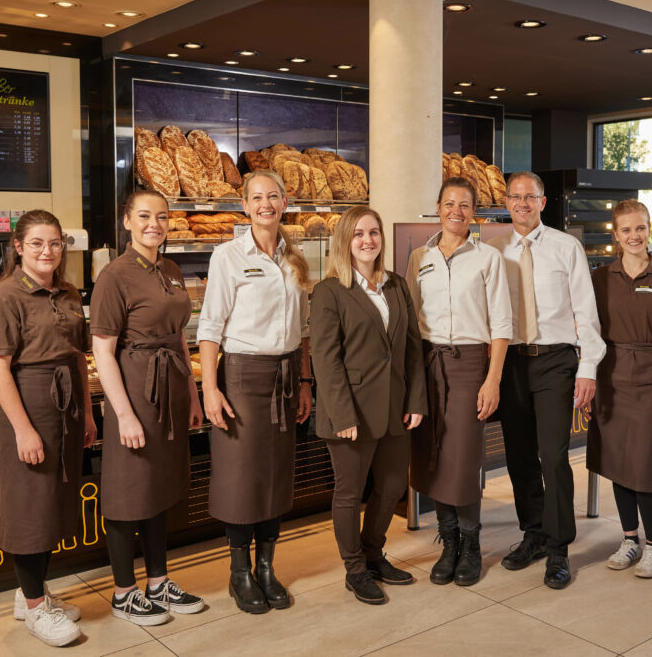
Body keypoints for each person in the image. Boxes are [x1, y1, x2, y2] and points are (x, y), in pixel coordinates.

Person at [197, 171, 313, 614]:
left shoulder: (294, 257)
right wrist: (210, 388)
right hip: (243, 375)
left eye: (273, 196)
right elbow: (209, 328)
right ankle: (239, 571)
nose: (266, 204)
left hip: (286, 375)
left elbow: (302, 330)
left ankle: (267, 566)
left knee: (276, 472)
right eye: (256, 197)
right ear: (244, 206)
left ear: (285, 202)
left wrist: (304, 380)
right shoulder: (227, 256)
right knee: (241, 474)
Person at [90, 190, 205, 625]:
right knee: (127, 491)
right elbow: (102, 350)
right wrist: (123, 414)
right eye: (144, 216)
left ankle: (158, 581)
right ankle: (124, 592)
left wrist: (192, 395)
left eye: (161, 216)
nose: (153, 224)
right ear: (127, 221)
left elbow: (179, 337)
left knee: (158, 488)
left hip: (172, 387)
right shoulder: (113, 276)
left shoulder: (170, 269)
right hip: (135, 388)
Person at [488, 171, 606, 589]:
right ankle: (533, 533)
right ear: (506, 201)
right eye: (516, 196)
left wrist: (588, 367)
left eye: (531, 197)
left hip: (555, 359)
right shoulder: (490, 246)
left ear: (542, 202)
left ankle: (558, 547)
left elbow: (586, 312)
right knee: (518, 454)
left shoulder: (565, 246)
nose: (522, 203)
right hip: (510, 361)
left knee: (553, 456)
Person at [0, 210, 96, 647]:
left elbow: (78, 359)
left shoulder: (68, 292)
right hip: (28, 404)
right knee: (29, 506)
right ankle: (35, 610)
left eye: (54, 243)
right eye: (37, 244)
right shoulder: (4, 296)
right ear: (18, 247)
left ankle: (28, 594)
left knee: (51, 502)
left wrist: (86, 414)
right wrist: (23, 430)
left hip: (67, 402)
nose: (47, 251)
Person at [310, 206, 427, 605]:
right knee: (350, 491)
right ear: (345, 240)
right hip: (350, 411)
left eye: (374, 232)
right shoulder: (329, 291)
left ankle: (374, 554)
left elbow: (413, 348)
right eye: (358, 233)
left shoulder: (395, 284)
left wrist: (415, 400)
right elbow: (325, 359)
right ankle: (355, 568)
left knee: (393, 485)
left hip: (395, 407)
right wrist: (342, 415)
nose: (367, 240)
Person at [406, 177, 512, 587]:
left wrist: (493, 379)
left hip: (470, 365)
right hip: (428, 363)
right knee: (431, 454)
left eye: (464, 205)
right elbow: (412, 320)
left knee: (463, 459)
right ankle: (447, 541)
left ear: (474, 211)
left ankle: (471, 545)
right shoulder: (419, 256)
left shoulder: (487, 258)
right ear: (438, 206)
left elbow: (502, 323)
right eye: (449, 203)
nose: (456, 211)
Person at [588, 200, 652, 579]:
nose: (635, 236)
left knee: (645, 466)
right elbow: (588, 332)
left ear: (650, 230)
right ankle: (629, 538)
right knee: (617, 463)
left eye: (641, 228)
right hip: (610, 377)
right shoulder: (599, 278)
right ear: (615, 235)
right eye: (626, 230)